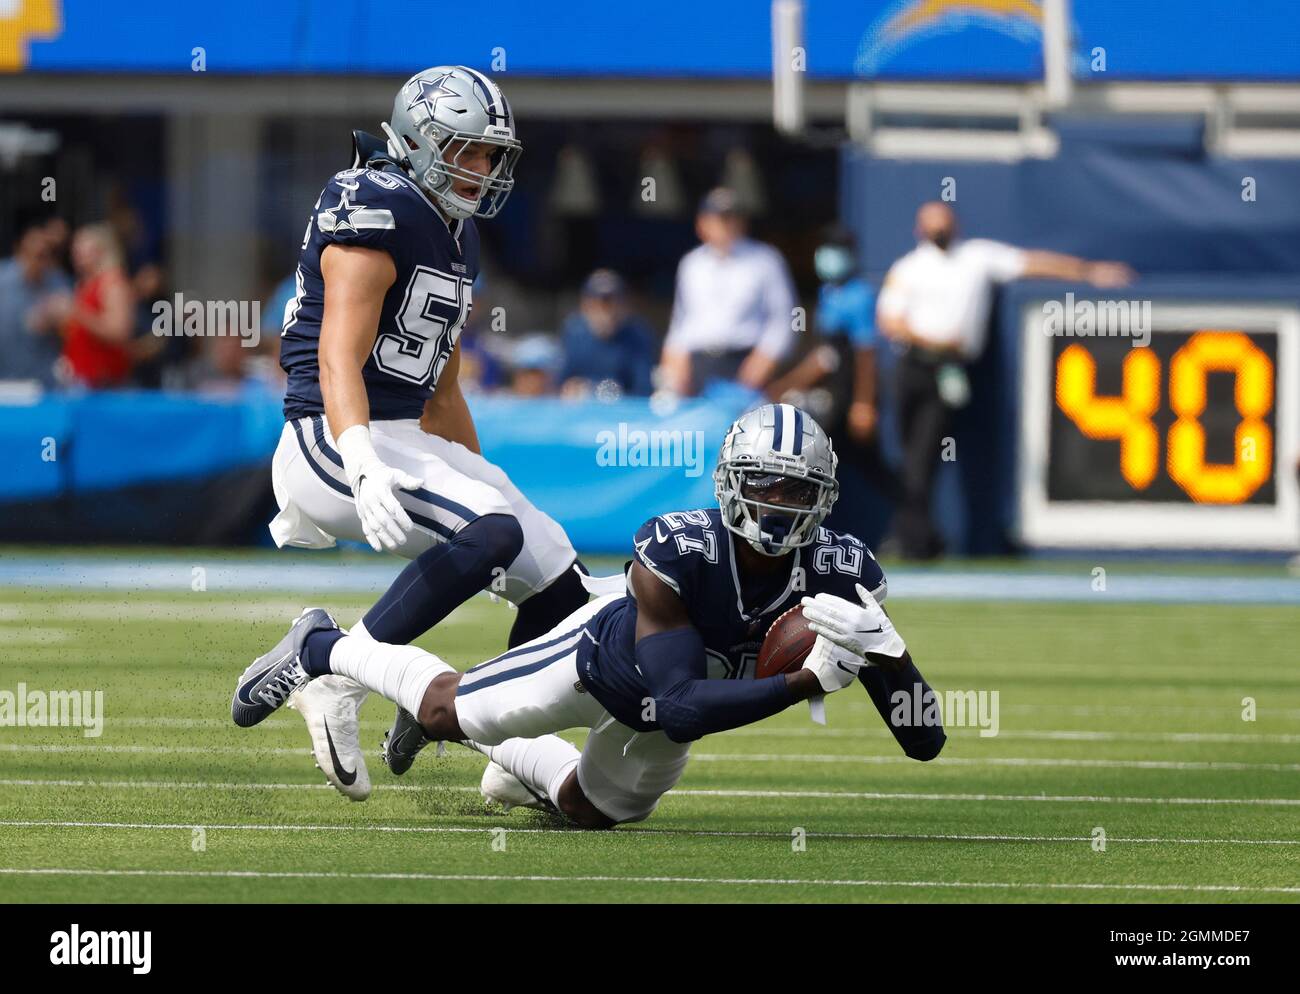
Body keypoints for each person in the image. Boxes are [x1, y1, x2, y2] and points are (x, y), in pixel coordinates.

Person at [232, 403, 946, 828]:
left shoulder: (841, 573)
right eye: (766, 484)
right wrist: (804, 683)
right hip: (599, 660)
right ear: (730, 482)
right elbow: (677, 707)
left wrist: (892, 654)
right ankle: (324, 646)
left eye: (799, 490)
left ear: (824, 499)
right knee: (453, 709)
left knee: (592, 812)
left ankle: (518, 769)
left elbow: (925, 744)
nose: (779, 504)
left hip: (678, 700)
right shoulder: (679, 550)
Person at [267, 65, 591, 801]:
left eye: (488, 155)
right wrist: (359, 459)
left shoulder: (456, 233)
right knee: (496, 532)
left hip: (404, 435)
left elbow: (441, 392)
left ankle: (483, 727)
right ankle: (337, 671)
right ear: (415, 141)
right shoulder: (372, 202)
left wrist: (480, 485)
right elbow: (335, 356)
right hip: (328, 434)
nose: (478, 169)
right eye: (464, 150)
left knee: (557, 581)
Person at [878, 201, 1134, 559]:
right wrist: (936, 340)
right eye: (932, 224)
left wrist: (1088, 272)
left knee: (934, 454)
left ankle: (925, 539)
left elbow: (1031, 263)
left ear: (957, 224)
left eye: (944, 223)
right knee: (915, 458)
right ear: (918, 229)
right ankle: (915, 537)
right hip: (915, 368)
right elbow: (890, 321)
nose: (939, 231)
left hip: (952, 369)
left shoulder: (976, 257)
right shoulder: (908, 268)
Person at [767, 225, 900, 516]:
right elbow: (825, 357)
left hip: (851, 396)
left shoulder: (860, 295)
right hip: (834, 397)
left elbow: (866, 354)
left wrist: (864, 403)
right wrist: (788, 384)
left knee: (858, 464)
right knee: (831, 463)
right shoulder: (828, 293)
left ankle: (912, 526)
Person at [660, 188, 796, 396]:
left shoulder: (765, 260)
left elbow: (785, 319)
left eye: (731, 218)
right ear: (701, 223)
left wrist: (765, 360)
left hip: (743, 363)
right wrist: (673, 362)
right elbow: (681, 322)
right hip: (698, 364)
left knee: (745, 428)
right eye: (718, 218)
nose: (725, 225)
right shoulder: (692, 263)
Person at [54, 224, 136, 388]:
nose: (76, 254)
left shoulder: (112, 283)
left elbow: (118, 331)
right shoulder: (86, 284)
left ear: (102, 251)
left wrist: (76, 312)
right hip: (81, 377)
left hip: (103, 380)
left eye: (83, 249)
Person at [557, 269, 655, 398]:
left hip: (623, 412)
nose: (606, 311)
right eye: (599, 303)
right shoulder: (574, 334)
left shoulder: (637, 336)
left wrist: (597, 391)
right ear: (585, 305)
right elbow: (561, 383)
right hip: (580, 413)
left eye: (612, 302)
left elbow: (643, 391)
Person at [0, 217, 71, 386]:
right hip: (4, 381)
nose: (39, 261)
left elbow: (74, 332)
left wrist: (58, 322)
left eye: (45, 254)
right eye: (35, 253)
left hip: (44, 382)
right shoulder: (2, 279)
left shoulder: (59, 283)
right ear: (20, 249)